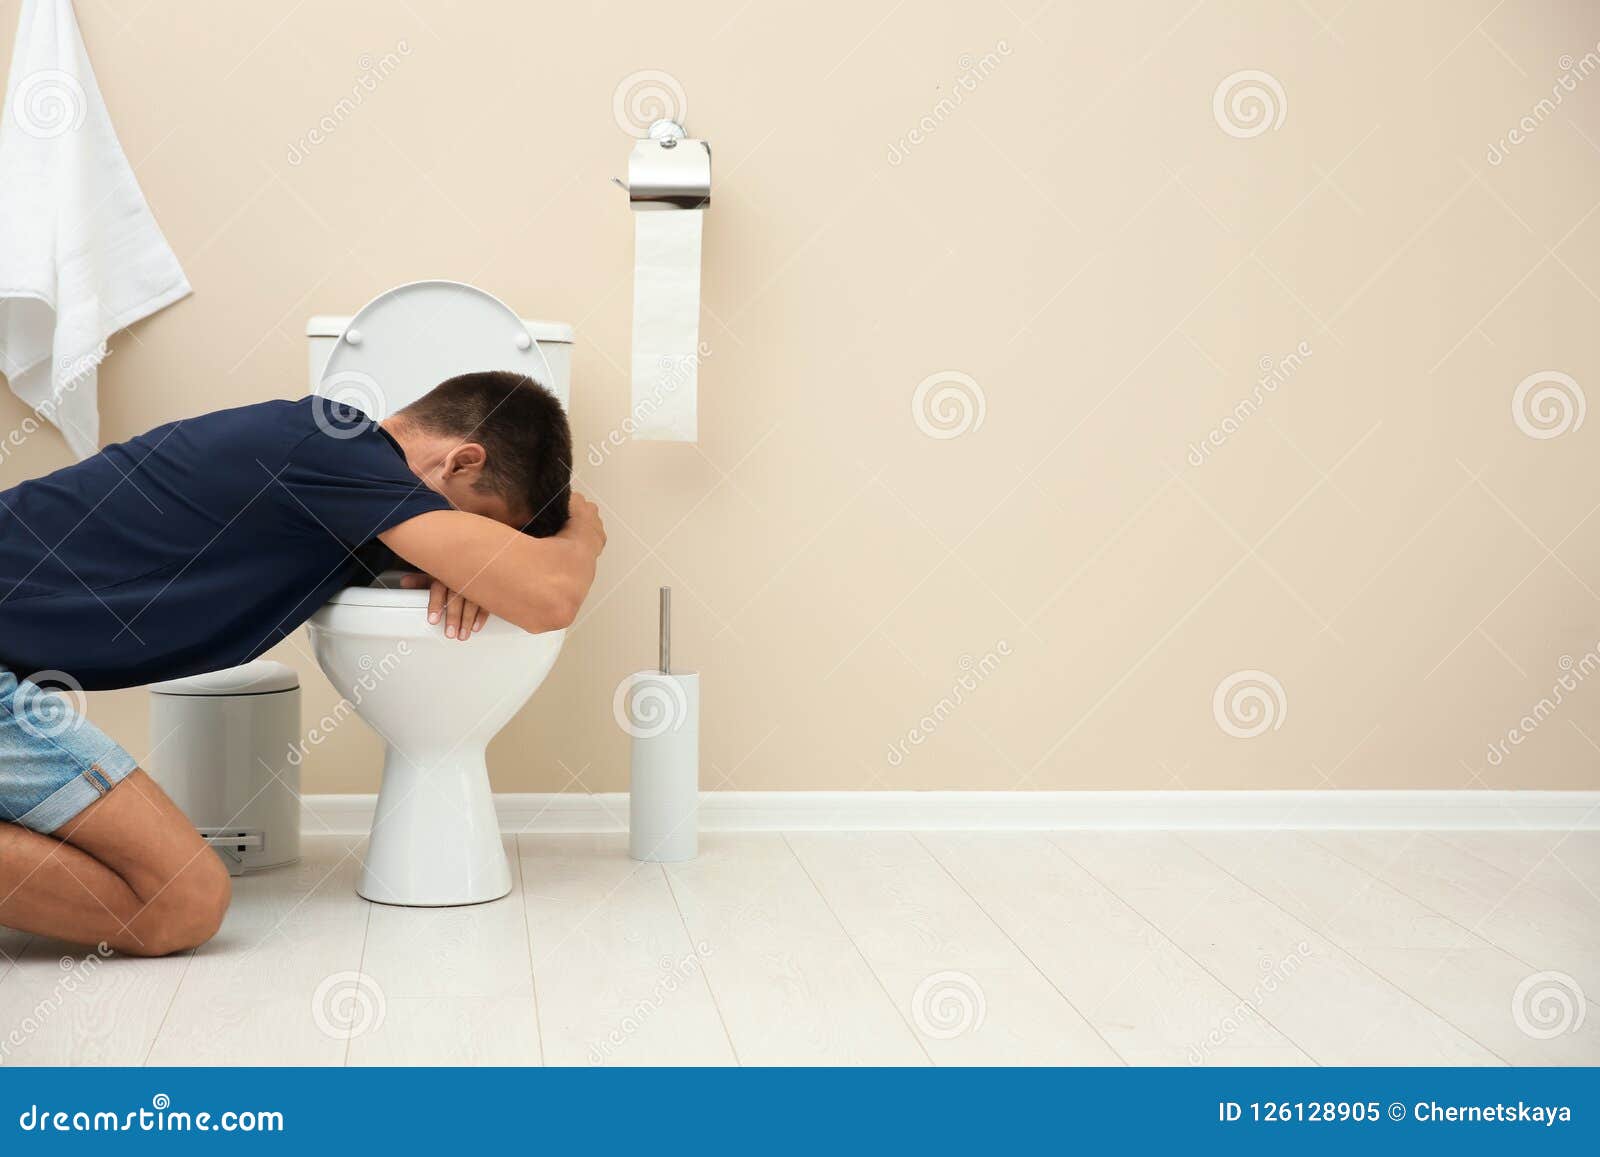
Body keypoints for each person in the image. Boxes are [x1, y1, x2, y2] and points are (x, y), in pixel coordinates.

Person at [0, 370, 606, 954]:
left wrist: (481, 568)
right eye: (484, 530)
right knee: (180, 902)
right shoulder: (330, 449)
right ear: (461, 462)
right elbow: (551, 598)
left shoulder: (345, 501)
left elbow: (520, 586)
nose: (481, 552)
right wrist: (585, 526)